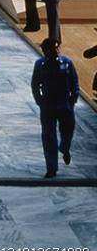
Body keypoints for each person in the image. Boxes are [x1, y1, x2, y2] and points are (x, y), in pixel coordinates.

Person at [31, 37, 79, 178]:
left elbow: (74, 83)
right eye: (54, 48)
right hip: (48, 106)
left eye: (58, 47)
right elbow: (35, 84)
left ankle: (65, 148)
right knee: (49, 137)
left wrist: (72, 101)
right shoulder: (40, 64)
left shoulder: (67, 63)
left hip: (65, 105)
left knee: (68, 130)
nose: (57, 50)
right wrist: (39, 101)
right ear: (46, 51)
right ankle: (51, 167)